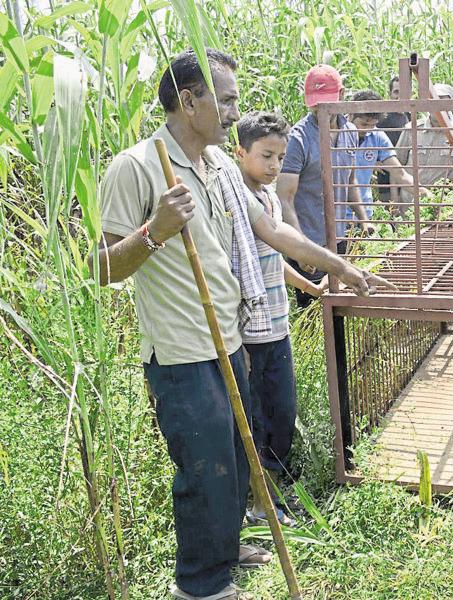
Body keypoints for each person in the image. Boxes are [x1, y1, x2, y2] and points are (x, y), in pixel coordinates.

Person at [95, 49, 391, 600]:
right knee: (204, 471)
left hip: (229, 337)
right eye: (225, 98)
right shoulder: (137, 166)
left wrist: (340, 266)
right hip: (181, 351)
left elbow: (273, 233)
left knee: (235, 454)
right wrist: (156, 229)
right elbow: (103, 267)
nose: (234, 111)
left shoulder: (221, 167)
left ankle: (226, 552)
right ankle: (201, 586)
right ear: (189, 100)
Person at [234, 111, 326, 527]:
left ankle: (269, 495)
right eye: (266, 156)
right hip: (250, 333)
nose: (274, 165)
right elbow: (236, 270)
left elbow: (271, 258)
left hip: (278, 325)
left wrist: (306, 286)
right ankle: (261, 503)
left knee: (281, 415)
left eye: (280, 157)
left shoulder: (268, 197)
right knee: (255, 419)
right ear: (240, 153)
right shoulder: (237, 201)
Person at [276, 65, 374, 308]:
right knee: (313, 308)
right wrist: (299, 247)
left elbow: (349, 179)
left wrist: (364, 219)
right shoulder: (298, 139)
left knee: (341, 305)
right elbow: (285, 197)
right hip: (310, 239)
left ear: (341, 94)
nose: (320, 109)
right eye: (315, 103)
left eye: (326, 102)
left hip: (339, 236)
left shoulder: (350, 132)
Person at [347, 90, 429, 219]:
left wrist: (427, 195)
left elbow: (400, 175)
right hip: (336, 214)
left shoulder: (377, 136)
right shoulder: (336, 133)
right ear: (351, 115)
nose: (367, 129)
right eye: (363, 124)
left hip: (364, 213)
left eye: (372, 125)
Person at [395, 83, 453, 208]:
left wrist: (451, 181)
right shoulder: (413, 128)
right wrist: (394, 199)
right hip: (410, 200)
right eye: (433, 102)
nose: (437, 107)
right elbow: (396, 163)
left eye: (442, 103)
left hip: (441, 201)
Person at [376, 75, 411, 205]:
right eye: (396, 92)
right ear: (390, 94)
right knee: (392, 218)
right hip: (386, 182)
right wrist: (374, 163)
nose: (399, 96)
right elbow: (365, 138)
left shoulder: (409, 115)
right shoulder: (383, 118)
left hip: (406, 180)